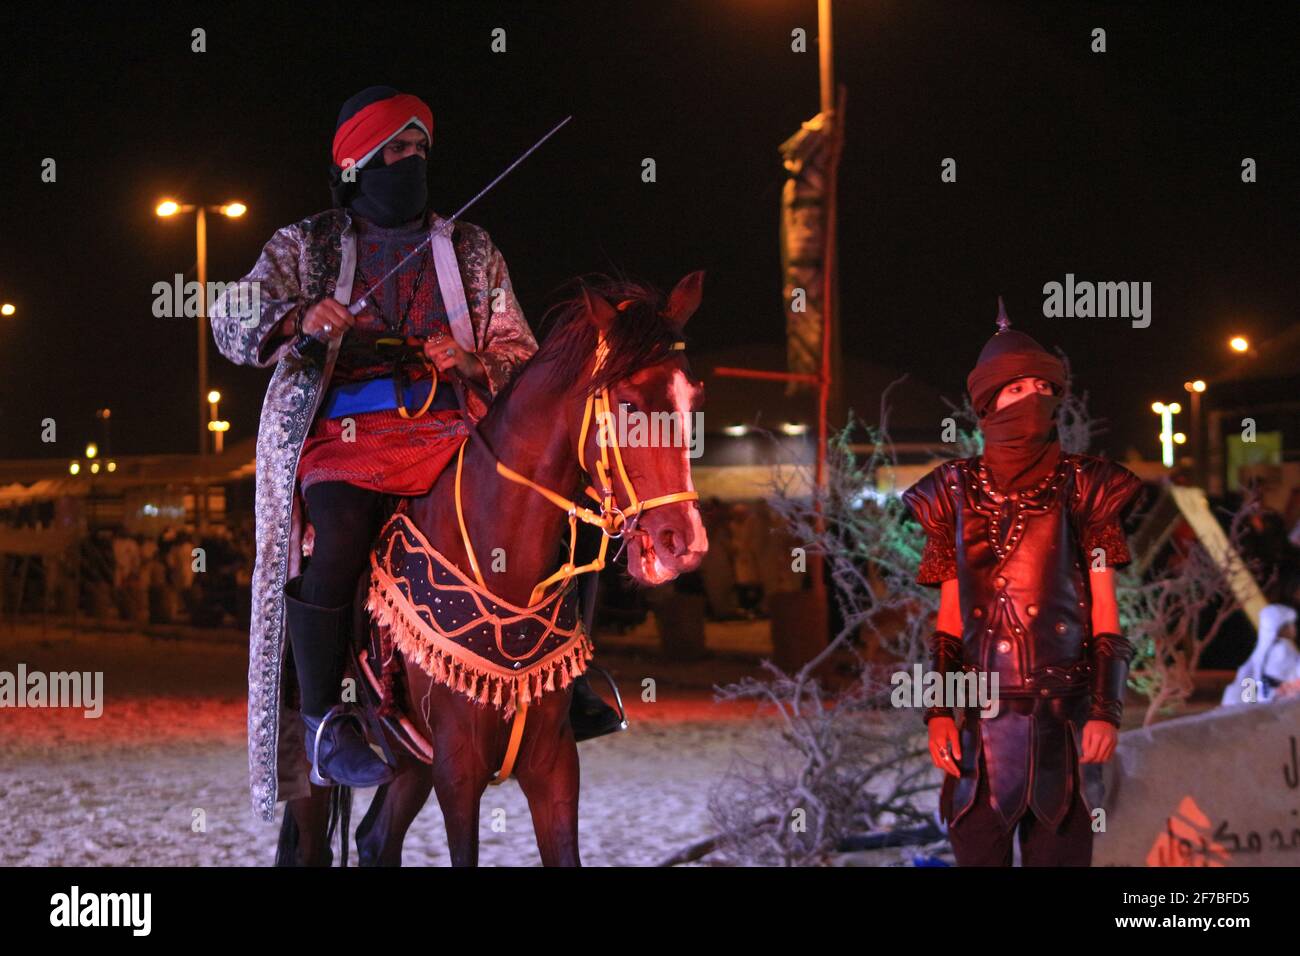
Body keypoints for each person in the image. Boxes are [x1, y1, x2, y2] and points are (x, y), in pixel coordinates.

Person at [211, 86, 553, 819]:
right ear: (356, 164)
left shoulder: (470, 247)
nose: (412, 161)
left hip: (451, 430)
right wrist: (302, 315)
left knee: (541, 509)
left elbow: (520, 351)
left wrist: (469, 359)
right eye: (395, 151)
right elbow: (228, 314)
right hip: (346, 437)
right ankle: (327, 718)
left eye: (420, 149)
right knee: (335, 531)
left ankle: (566, 686)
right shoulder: (304, 244)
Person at [902, 299, 1144, 866]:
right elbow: (950, 619)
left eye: (1042, 386)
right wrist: (939, 709)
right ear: (987, 404)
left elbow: (1106, 610)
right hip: (979, 739)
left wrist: (1107, 708)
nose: (1032, 398)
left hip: (1065, 725)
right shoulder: (950, 493)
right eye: (1015, 389)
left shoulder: (1090, 488)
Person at [1221, 603, 1300, 705]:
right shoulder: (1282, 649)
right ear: (1281, 628)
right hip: (1280, 702)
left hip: (1263, 700)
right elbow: (1287, 678)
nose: (1294, 628)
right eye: (1290, 624)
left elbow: (1250, 680)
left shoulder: (1261, 651)